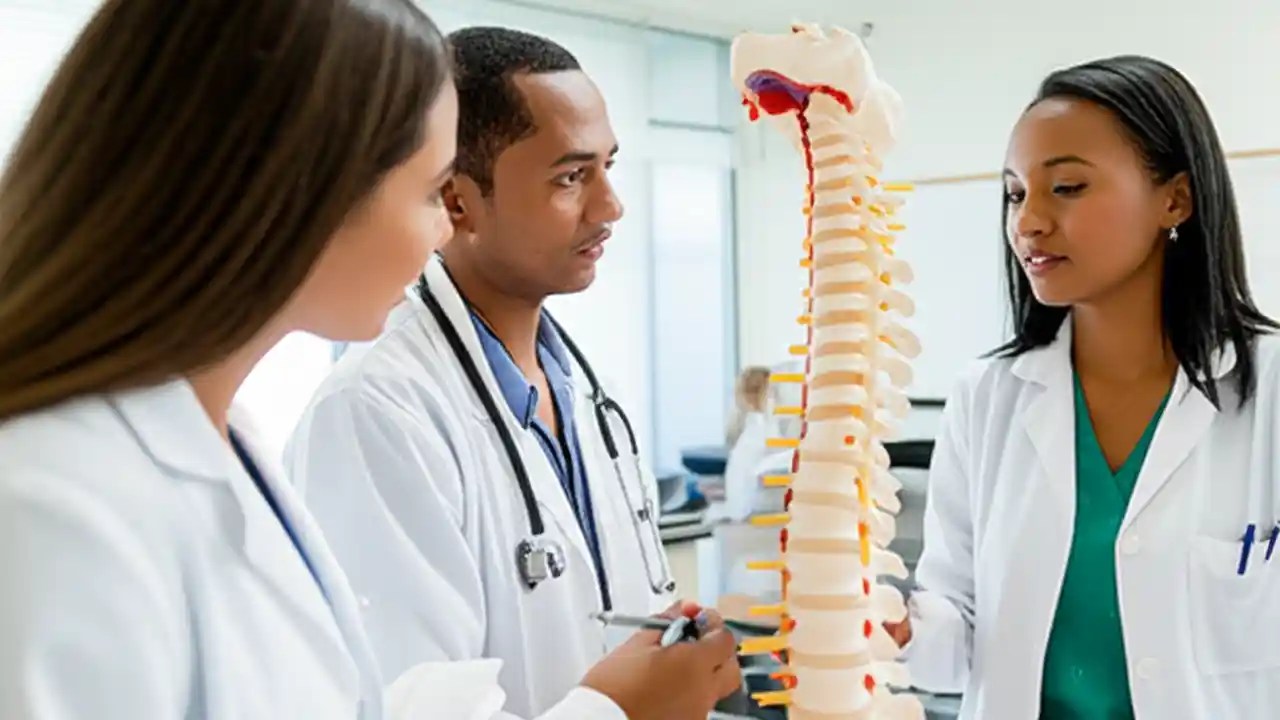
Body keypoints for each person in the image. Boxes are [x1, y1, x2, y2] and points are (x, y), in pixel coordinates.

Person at [0, 3, 737, 720]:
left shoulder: (225, 447)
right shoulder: (52, 508)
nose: (435, 234)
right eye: (429, 192)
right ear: (297, 191)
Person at [285, 25, 740, 719]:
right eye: (571, 176)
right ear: (458, 200)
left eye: (608, 166)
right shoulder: (376, 413)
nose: (611, 205)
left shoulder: (593, 398)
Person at [894, 55, 1280, 719]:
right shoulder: (987, 397)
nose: (1028, 222)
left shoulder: (1269, 393)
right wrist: (893, 625)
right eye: (1015, 194)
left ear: (1175, 199)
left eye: (1066, 187)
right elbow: (952, 644)